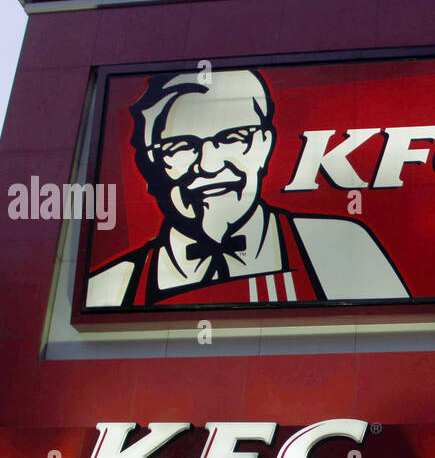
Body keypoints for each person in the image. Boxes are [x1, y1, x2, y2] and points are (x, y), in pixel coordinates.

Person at [86, 68, 408, 309]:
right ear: (152, 162)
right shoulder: (112, 287)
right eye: (181, 146)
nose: (209, 165)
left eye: (233, 138)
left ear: (265, 146)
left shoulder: (337, 249)